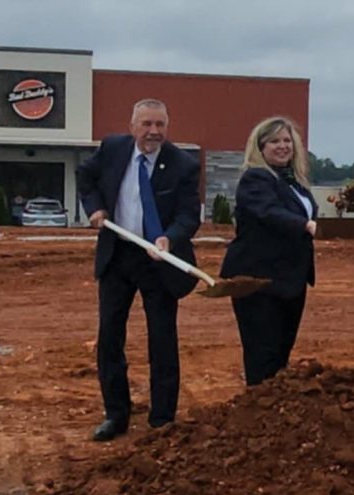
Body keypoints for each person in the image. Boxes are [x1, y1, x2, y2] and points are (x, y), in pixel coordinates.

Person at [77, 98, 201, 441]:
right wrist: (96, 207)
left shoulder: (183, 164)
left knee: (162, 339)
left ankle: (162, 419)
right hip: (117, 255)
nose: (153, 132)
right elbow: (85, 176)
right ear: (133, 126)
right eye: (146, 124)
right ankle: (116, 415)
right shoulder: (113, 149)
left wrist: (169, 238)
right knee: (110, 337)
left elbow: (189, 215)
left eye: (160, 124)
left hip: (158, 260)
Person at [220, 117, 318, 386]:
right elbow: (269, 212)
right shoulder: (255, 178)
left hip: (291, 280)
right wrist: (305, 225)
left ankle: (273, 415)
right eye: (275, 141)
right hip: (258, 281)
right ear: (260, 147)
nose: (283, 146)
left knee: (281, 353)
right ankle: (256, 415)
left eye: (287, 140)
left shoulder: (294, 182)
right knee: (262, 354)